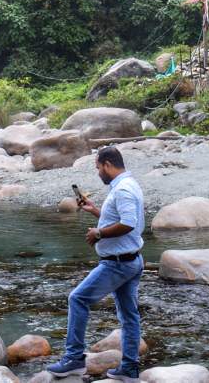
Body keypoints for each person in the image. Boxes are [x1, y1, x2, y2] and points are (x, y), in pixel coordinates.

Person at [45, 147, 146, 381]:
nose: (98, 172)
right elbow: (119, 218)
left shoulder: (122, 189)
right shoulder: (129, 184)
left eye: (98, 167)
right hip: (132, 260)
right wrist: (95, 211)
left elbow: (129, 223)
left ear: (108, 164)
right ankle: (129, 368)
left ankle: (74, 359)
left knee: (78, 299)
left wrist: (99, 233)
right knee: (129, 316)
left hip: (117, 264)